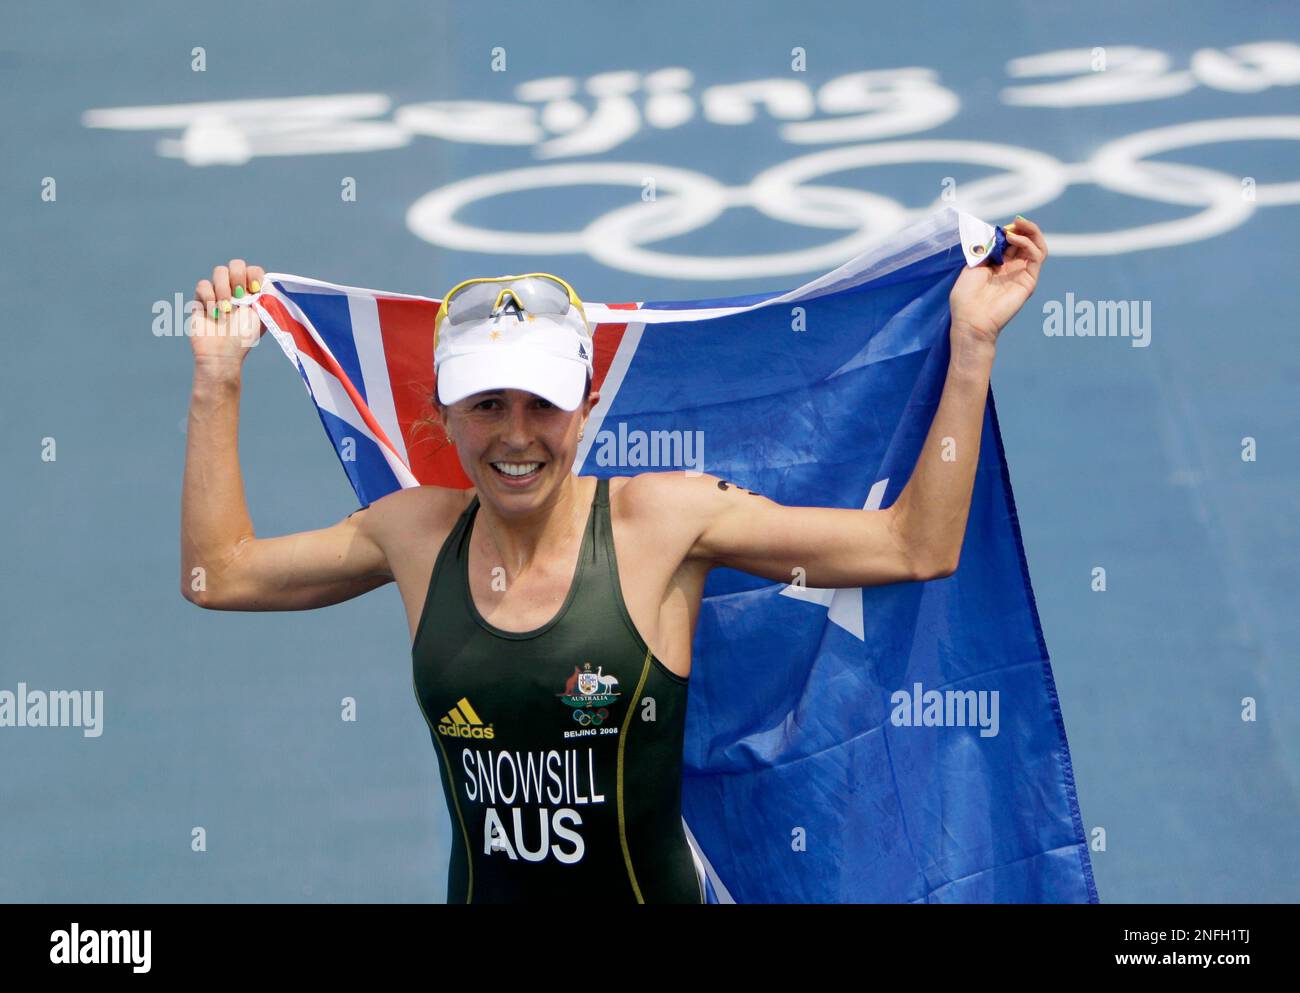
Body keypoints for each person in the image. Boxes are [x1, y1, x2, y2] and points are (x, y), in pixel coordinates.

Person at [180, 219, 1048, 903]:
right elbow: (218, 574)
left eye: (543, 404)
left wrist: (971, 345)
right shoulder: (411, 534)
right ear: (442, 415)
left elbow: (913, 544)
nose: (516, 436)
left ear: (588, 406)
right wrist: (218, 378)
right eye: (487, 405)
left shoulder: (662, 522)